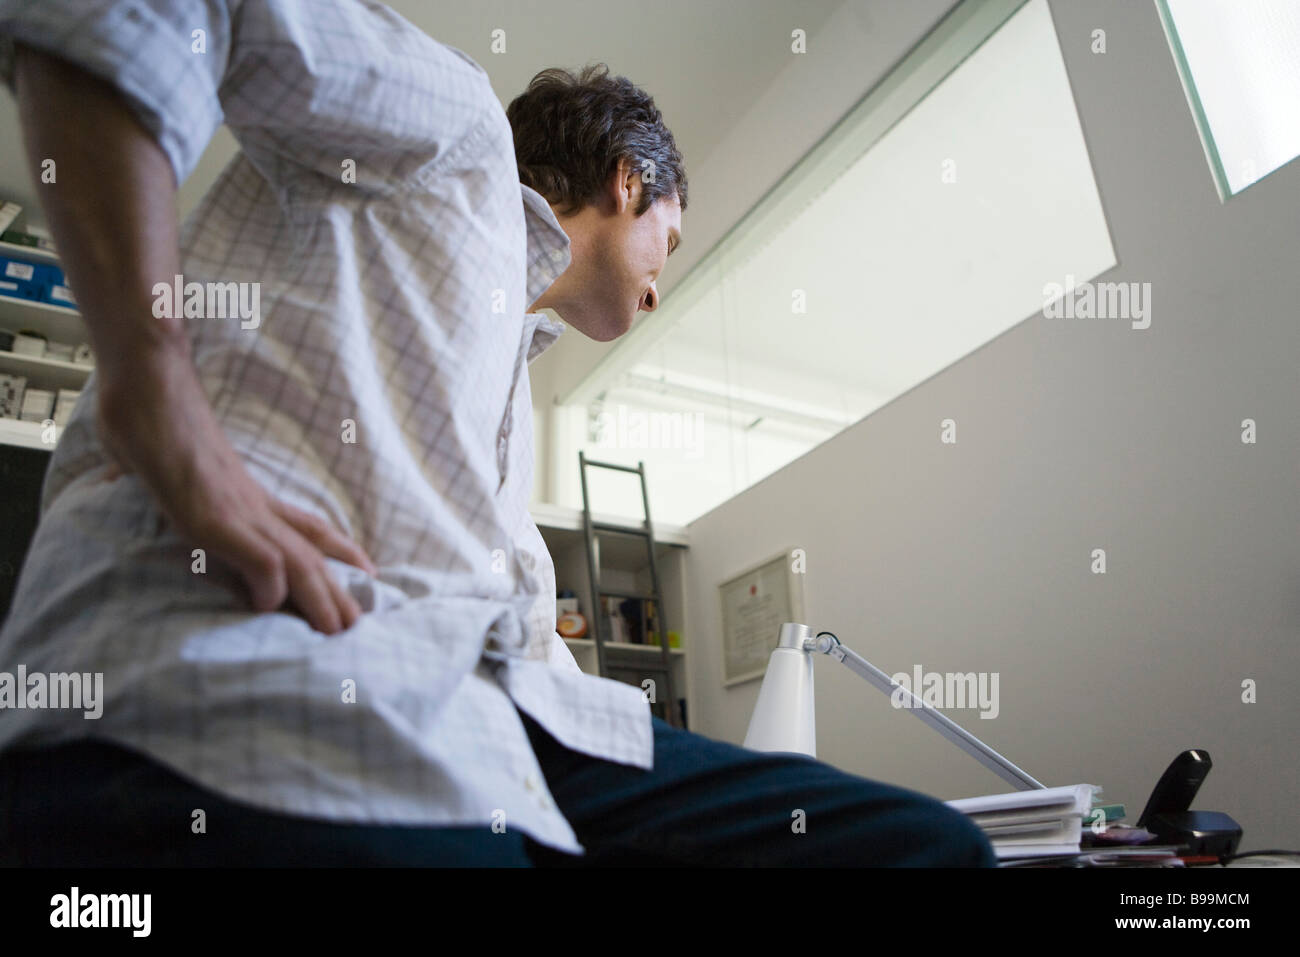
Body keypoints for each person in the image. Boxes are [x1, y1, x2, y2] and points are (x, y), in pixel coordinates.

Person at [0, 0, 994, 867]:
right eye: (670, 245)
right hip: (230, 692)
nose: (660, 286)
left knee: (922, 849)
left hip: (479, 732)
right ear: (625, 182)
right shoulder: (456, 132)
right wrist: (155, 385)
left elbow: (524, 659)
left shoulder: (512, 372)